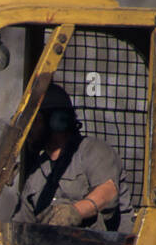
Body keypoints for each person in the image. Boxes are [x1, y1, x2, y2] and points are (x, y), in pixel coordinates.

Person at [12, 83, 132, 232]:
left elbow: (108, 192)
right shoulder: (37, 173)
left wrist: (75, 212)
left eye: (33, 121)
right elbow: (22, 224)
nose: (27, 129)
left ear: (56, 121)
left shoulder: (93, 151)